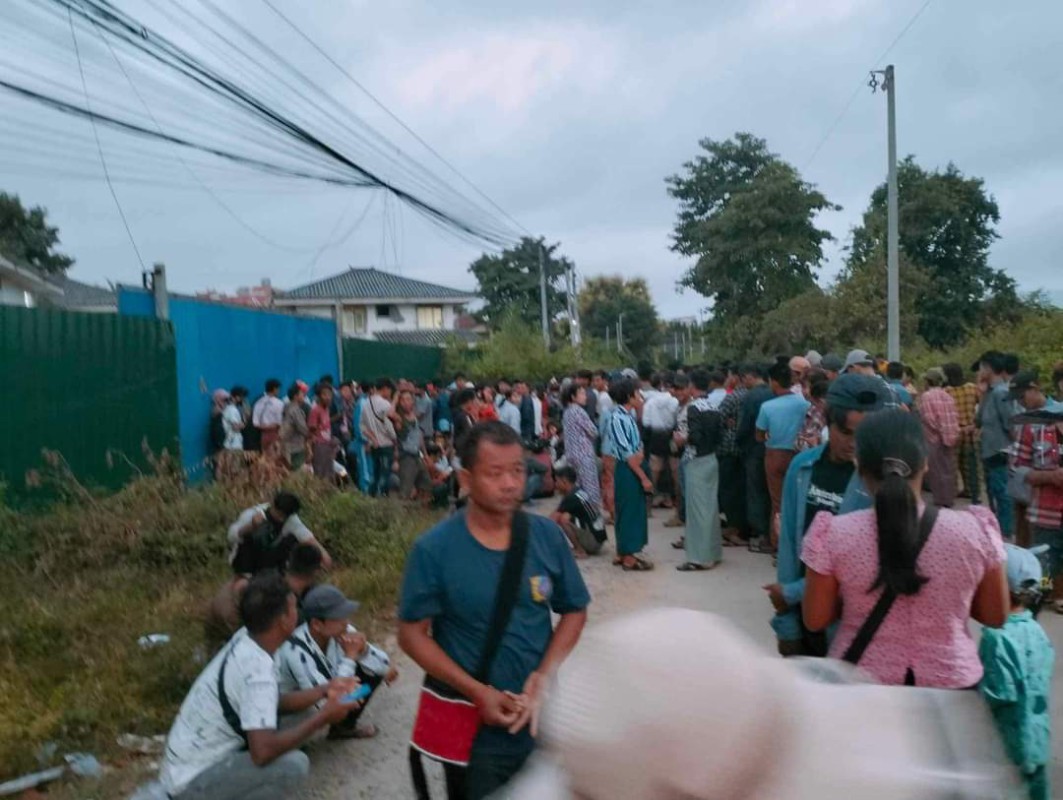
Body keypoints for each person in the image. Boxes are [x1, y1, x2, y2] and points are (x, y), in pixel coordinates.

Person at [398, 421, 590, 800]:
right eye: (495, 473)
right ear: (466, 479)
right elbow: (411, 635)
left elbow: (574, 610)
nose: (510, 484)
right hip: (474, 732)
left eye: (517, 471)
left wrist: (543, 676)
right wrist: (476, 692)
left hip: (541, 719)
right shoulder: (434, 550)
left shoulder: (546, 537)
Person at [802, 410, 1009, 688]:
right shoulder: (974, 530)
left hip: (860, 688)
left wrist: (855, 594)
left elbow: (815, 619)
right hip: (951, 686)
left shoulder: (834, 534)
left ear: (859, 465)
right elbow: (995, 616)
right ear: (924, 463)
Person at [159, 573, 359, 800]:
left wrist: (325, 689)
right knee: (294, 765)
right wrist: (324, 717)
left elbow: (271, 701)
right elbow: (262, 753)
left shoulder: (248, 639)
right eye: (294, 607)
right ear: (283, 620)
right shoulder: (257, 669)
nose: (298, 613)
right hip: (190, 782)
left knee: (304, 713)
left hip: (184, 765)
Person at [767, 374, 885, 657]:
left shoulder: (878, 482)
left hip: (851, 627)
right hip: (805, 619)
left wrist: (792, 593)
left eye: (864, 435)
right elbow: (789, 547)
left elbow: (863, 565)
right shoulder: (802, 467)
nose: (854, 443)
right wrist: (787, 623)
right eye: (846, 432)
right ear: (827, 423)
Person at [980, 544, 1054, 800]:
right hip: (1037, 736)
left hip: (1008, 743)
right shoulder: (1035, 629)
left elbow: (999, 694)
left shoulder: (996, 637)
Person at [276, 585, 398, 739]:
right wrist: (351, 656)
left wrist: (364, 650)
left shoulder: (341, 630)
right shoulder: (295, 651)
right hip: (294, 716)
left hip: (326, 692)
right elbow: (328, 702)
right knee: (349, 689)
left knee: (371, 673)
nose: (346, 622)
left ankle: (343, 728)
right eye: (338, 617)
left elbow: (384, 666)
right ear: (317, 624)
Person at [756, 359, 811, 548]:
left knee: (778, 502)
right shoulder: (804, 404)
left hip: (775, 455)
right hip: (799, 454)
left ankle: (779, 544)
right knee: (798, 499)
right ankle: (799, 542)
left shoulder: (767, 407)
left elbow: (759, 435)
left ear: (774, 382)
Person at [679, 369, 724, 571]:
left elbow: (695, 437)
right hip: (711, 458)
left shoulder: (694, 408)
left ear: (691, 386)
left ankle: (699, 557)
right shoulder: (714, 406)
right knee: (710, 507)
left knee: (696, 510)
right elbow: (720, 435)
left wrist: (682, 438)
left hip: (696, 460)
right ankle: (713, 552)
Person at [608, 379, 654, 571]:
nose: (640, 397)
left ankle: (624, 551)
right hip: (629, 469)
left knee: (631, 508)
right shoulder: (618, 418)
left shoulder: (628, 416)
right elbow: (628, 455)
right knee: (629, 511)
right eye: (637, 394)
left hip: (634, 464)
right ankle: (628, 555)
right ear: (629, 396)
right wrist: (643, 477)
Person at [228, 491, 332, 576]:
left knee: (293, 541)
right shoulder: (252, 514)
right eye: (279, 515)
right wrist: (251, 526)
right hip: (246, 559)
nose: (281, 519)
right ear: (273, 506)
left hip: (270, 560)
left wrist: (324, 559)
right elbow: (232, 536)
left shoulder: (291, 520)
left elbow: (308, 539)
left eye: (284, 517)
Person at [976, 350, 1017, 538]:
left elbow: (1011, 424)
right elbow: (980, 419)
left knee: (1002, 493)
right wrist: (982, 393)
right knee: (994, 491)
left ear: (989, 368)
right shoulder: (991, 392)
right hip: (990, 450)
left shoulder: (1001, 393)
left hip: (1000, 450)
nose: (979, 372)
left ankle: (1005, 532)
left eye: (981, 368)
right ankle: (998, 528)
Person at [738, 364, 773, 553]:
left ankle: (759, 533)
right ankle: (771, 533)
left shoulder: (750, 397)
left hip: (753, 448)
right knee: (770, 492)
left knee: (755, 491)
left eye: (744, 378)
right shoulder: (772, 393)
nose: (743, 382)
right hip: (771, 447)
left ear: (750, 376)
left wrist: (739, 442)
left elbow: (744, 426)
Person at [918, 367, 960, 508]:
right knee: (948, 468)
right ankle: (949, 498)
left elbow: (929, 418)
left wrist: (939, 430)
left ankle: (940, 499)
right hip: (950, 437)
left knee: (936, 470)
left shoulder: (926, 396)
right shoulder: (947, 396)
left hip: (933, 438)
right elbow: (954, 416)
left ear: (928, 381)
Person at [560, 382, 602, 512]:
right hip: (584, 454)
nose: (585, 396)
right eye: (582, 393)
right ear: (573, 397)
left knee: (577, 486)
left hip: (571, 454)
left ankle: (577, 511)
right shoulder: (579, 411)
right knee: (590, 487)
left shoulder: (567, 412)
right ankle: (592, 512)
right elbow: (593, 431)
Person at [944, 362, 981, 503]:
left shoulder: (947, 391)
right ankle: (972, 490)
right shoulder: (972, 387)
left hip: (955, 430)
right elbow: (981, 405)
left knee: (953, 464)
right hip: (970, 430)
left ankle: (952, 491)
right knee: (971, 463)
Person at [642, 373, 680, 510]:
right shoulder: (675, 402)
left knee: (654, 470)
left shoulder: (650, 402)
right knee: (675, 470)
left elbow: (646, 422)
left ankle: (648, 504)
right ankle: (678, 503)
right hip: (672, 436)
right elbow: (678, 420)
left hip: (656, 437)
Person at [551, 465, 607, 558]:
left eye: (557, 481)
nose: (555, 484)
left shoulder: (571, 497)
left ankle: (580, 550)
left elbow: (552, 519)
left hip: (593, 542)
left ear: (564, 481)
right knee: (567, 515)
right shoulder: (578, 491)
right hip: (598, 538)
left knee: (563, 519)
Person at [361, 378, 398, 497]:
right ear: (386, 389)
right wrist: (394, 438)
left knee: (376, 472)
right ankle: (380, 496)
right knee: (384, 473)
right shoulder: (384, 404)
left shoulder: (366, 403)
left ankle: (370, 495)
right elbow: (389, 422)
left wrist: (372, 439)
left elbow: (362, 426)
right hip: (386, 444)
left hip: (374, 445)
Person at [396, 389, 430, 500]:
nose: (406, 402)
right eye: (403, 400)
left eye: (408, 399)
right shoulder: (399, 417)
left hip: (417, 454)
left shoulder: (414, 416)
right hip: (406, 456)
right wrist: (396, 396)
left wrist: (425, 454)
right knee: (406, 486)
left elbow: (419, 436)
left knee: (426, 483)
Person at [795, 372, 830, 452]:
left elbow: (805, 444)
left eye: (805, 387)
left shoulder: (816, 413)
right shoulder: (812, 410)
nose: (803, 391)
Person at [308, 383, 337, 480]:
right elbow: (311, 430)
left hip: (327, 445)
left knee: (329, 473)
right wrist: (310, 450)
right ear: (319, 396)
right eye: (324, 394)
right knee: (320, 474)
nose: (328, 397)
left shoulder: (326, 410)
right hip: (319, 447)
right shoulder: (315, 411)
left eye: (329, 395)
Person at [280, 383, 310, 471]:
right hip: (295, 446)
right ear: (295, 396)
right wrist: (311, 434)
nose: (304, 395)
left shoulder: (287, 407)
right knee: (297, 470)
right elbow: (302, 428)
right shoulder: (295, 410)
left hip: (286, 445)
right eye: (302, 393)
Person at [250, 379, 284, 456]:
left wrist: (263, 427)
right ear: (275, 389)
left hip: (262, 434)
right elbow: (280, 422)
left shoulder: (259, 402)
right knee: (274, 457)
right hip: (274, 433)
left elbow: (255, 423)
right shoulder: (279, 403)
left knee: (265, 457)